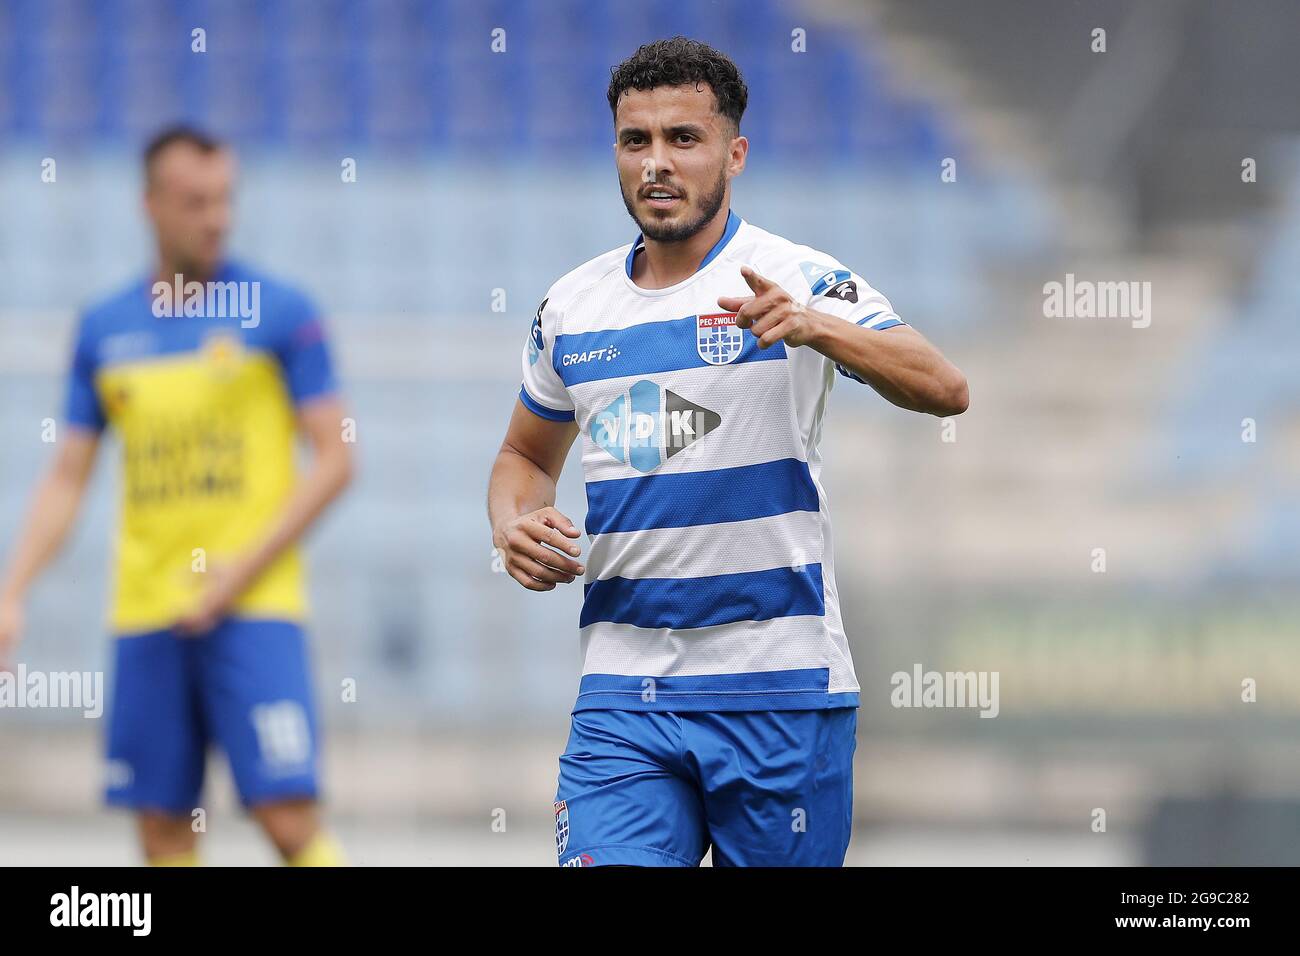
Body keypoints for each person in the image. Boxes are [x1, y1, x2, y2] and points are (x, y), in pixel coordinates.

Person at [487, 37, 969, 867]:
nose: (657, 163)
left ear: (734, 153)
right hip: (623, 692)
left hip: (778, 688)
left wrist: (817, 328)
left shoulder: (795, 276)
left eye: (684, 138)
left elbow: (943, 386)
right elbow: (524, 457)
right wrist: (512, 525)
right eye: (636, 141)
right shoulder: (571, 307)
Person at [0, 126, 353, 866]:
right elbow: (69, 472)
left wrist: (236, 571)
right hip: (146, 611)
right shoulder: (105, 327)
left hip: (254, 607)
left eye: (224, 199)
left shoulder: (279, 311)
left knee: (286, 817)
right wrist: (13, 589)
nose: (216, 218)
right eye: (196, 202)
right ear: (151, 205)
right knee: (162, 829)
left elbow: (334, 459)